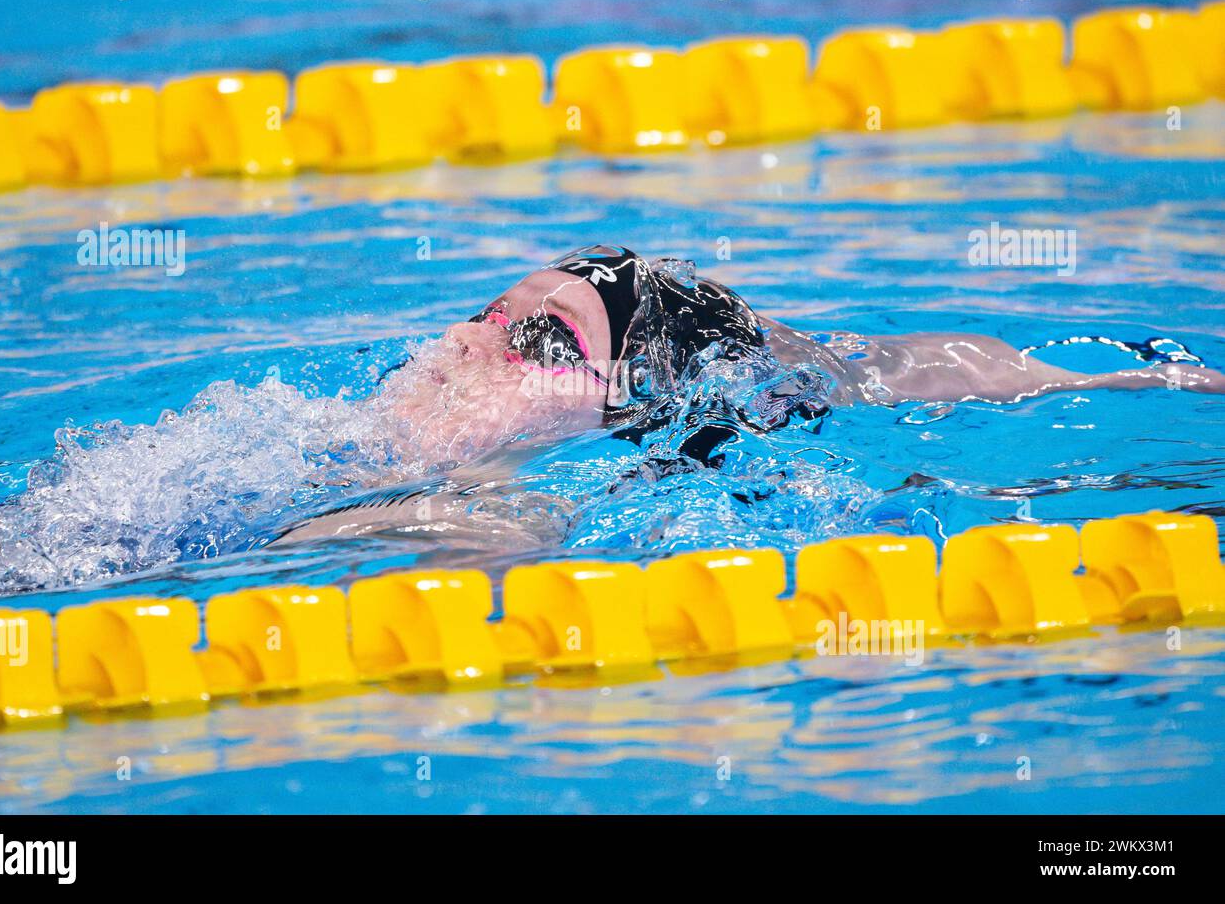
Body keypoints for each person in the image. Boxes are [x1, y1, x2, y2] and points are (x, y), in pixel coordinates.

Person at [271, 244, 1224, 543]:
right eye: (486, 313)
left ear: (631, 405)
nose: (464, 342)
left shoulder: (492, 520)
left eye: (535, 339)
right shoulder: (309, 435)